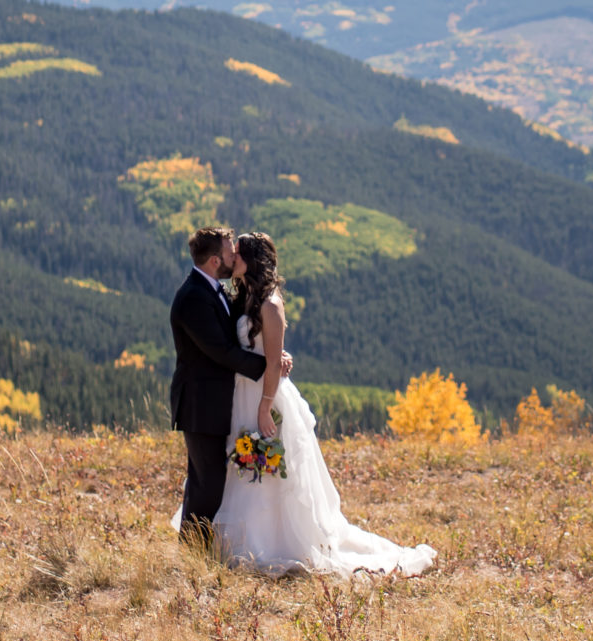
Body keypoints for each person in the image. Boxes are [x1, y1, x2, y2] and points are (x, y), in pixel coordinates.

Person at [209, 231, 436, 577]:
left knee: (271, 471)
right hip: (242, 394)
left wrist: (264, 406)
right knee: (243, 466)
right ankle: (245, 542)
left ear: (252, 260)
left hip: (264, 396)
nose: (232, 259)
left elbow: (271, 362)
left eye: (238, 254)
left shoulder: (270, 304)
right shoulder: (245, 297)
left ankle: (272, 542)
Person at [169, 225, 291, 546]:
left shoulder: (222, 291)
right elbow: (221, 351)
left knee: (215, 478)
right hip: (201, 404)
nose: (232, 255)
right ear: (214, 261)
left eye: (236, 252)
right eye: (228, 251)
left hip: (225, 401)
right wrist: (270, 367)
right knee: (206, 481)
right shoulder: (194, 297)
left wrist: (275, 355)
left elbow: (255, 332)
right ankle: (194, 552)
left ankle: (212, 546)